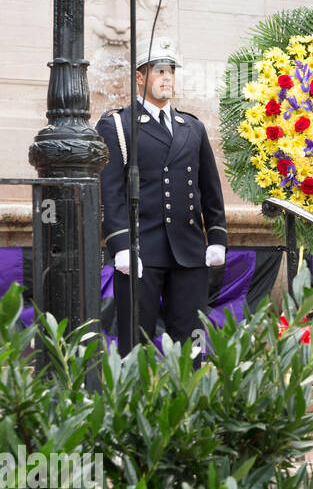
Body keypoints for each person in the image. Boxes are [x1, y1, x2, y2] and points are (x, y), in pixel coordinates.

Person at [96, 37, 227, 350]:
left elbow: (210, 188)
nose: (167, 78)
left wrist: (218, 238)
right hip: (141, 249)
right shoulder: (118, 125)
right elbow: (110, 190)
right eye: (159, 71)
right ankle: (134, 400)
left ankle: (190, 399)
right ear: (140, 77)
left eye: (170, 71)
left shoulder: (191, 127)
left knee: (191, 341)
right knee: (134, 340)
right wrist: (121, 245)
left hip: (189, 249)